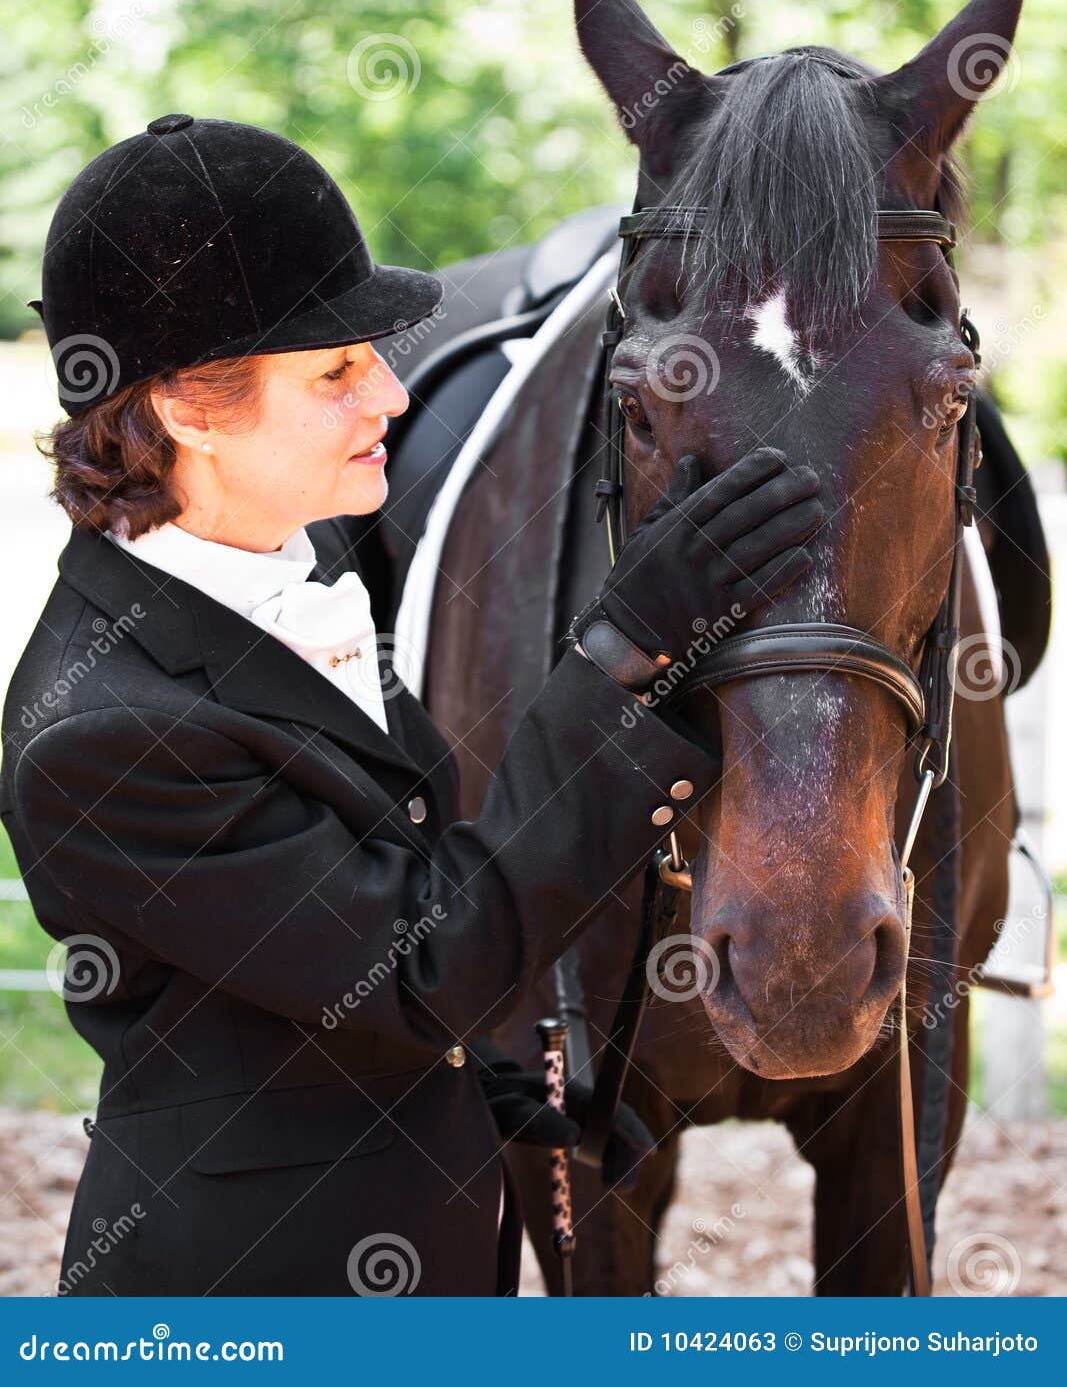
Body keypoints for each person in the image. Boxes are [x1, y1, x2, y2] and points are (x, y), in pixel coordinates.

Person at [0, 114, 822, 1295]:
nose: (388, 390)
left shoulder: (290, 574)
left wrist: (477, 1099)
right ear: (186, 407)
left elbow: (327, 964)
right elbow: (423, 960)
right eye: (334, 371)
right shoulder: (109, 734)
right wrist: (618, 653)